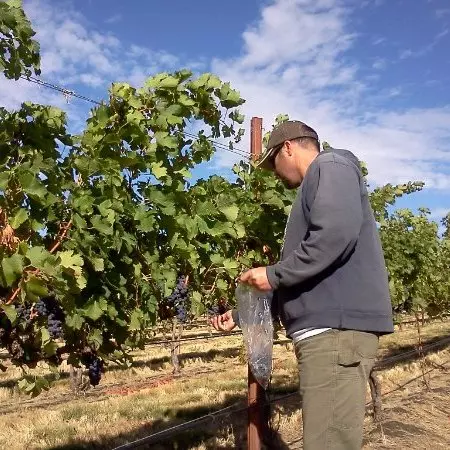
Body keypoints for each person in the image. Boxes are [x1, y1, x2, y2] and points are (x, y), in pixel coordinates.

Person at [210, 120, 394, 450]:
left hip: (336, 334)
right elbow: (308, 273)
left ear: (288, 148)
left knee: (329, 444)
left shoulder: (332, 165)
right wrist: (242, 315)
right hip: (329, 336)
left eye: (273, 164)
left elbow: (333, 235)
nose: (274, 174)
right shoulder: (320, 181)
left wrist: (274, 273)